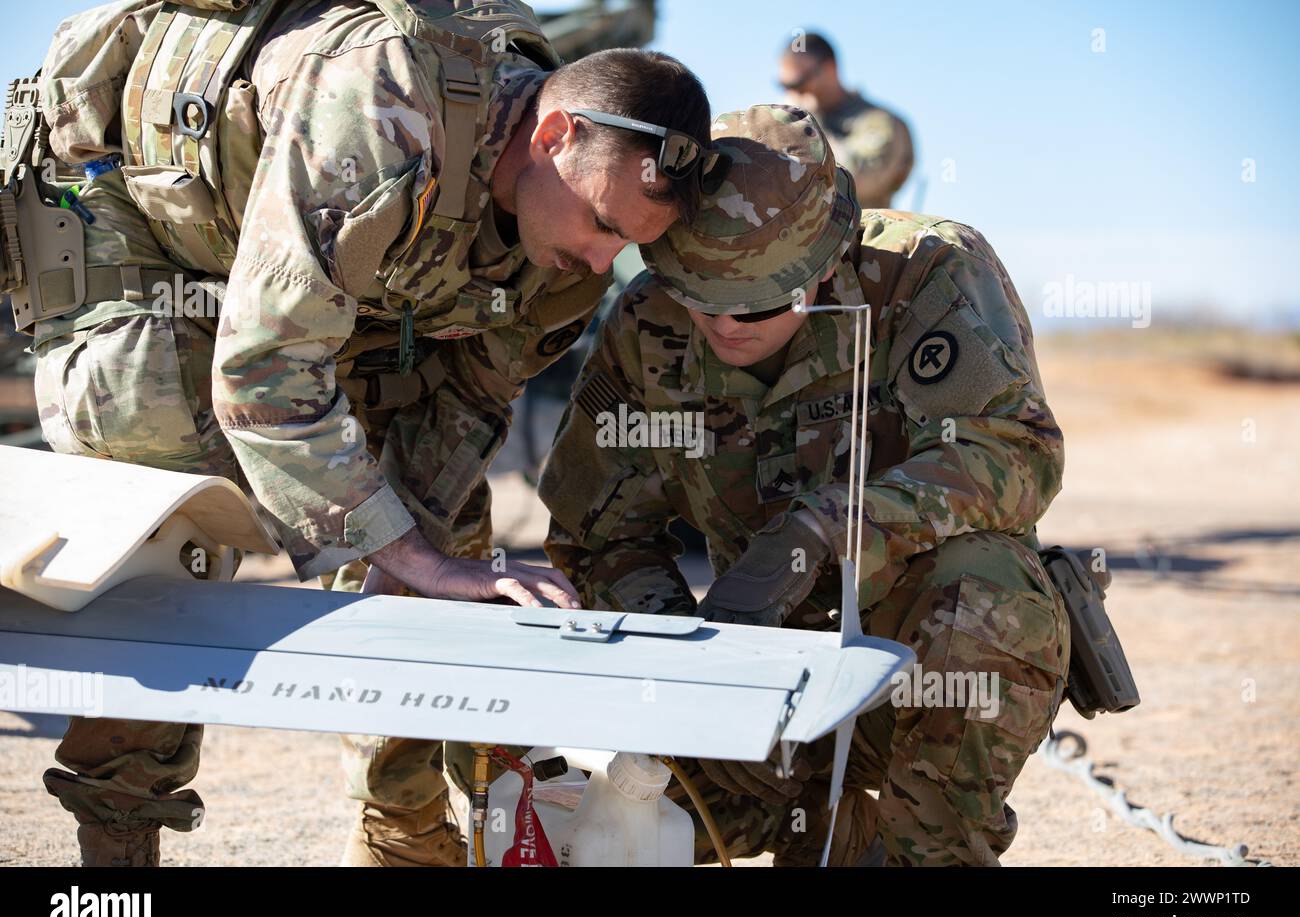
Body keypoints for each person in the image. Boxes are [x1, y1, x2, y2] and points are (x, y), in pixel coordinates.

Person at [7, 0, 711, 866]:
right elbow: (263, 368)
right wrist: (405, 554)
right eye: (603, 224)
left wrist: (413, 562)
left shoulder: (561, 264)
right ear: (555, 132)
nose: (606, 264)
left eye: (628, 245)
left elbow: (460, 410)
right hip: (136, 207)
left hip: (339, 256)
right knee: (166, 511)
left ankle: (401, 834)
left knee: (443, 547)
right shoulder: (384, 102)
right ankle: (117, 849)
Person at [540, 104, 1069, 866]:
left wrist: (824, 528)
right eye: (699, 295)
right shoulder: (649, 321)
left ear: (829, 260)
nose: (726, 327)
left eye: (759, 301)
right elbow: (599, 533)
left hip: (910, 668)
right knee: (610, 815)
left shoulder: (928, 273)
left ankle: (931, 847)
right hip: (754, 687)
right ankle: (820, 828)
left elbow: (1016, 453)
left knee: (988, 592)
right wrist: (688, 655)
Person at [777, 31, 914, 208]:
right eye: (785, 86)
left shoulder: (880, 122)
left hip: (858, 232)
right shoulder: (787, 122)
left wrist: (807, 123)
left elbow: (858, 178)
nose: (793, 95)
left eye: (800, 83)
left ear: (829, 69)